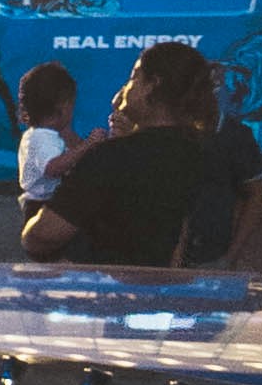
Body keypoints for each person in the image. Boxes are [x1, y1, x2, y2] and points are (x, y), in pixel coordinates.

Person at [21, 40, 212, 268]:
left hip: (105, 290)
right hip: (162, 287)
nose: (125, 88)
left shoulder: (112, 158)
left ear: (152, 85)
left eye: (133, 78)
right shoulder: (198, 152)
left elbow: (42, 236)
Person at [182, 64, 262, 268]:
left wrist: (230, 256)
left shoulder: (237, 136)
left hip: (212, 255)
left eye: (215, 88)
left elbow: (256, 194)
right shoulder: (174, 131)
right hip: (167, 253)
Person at [15, 60, 84, 214]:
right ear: (63, 106)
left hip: (48, 201)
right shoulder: (40, 137)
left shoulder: (53, 135)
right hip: (41, 205)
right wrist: (88, 145)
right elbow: (53, 168)